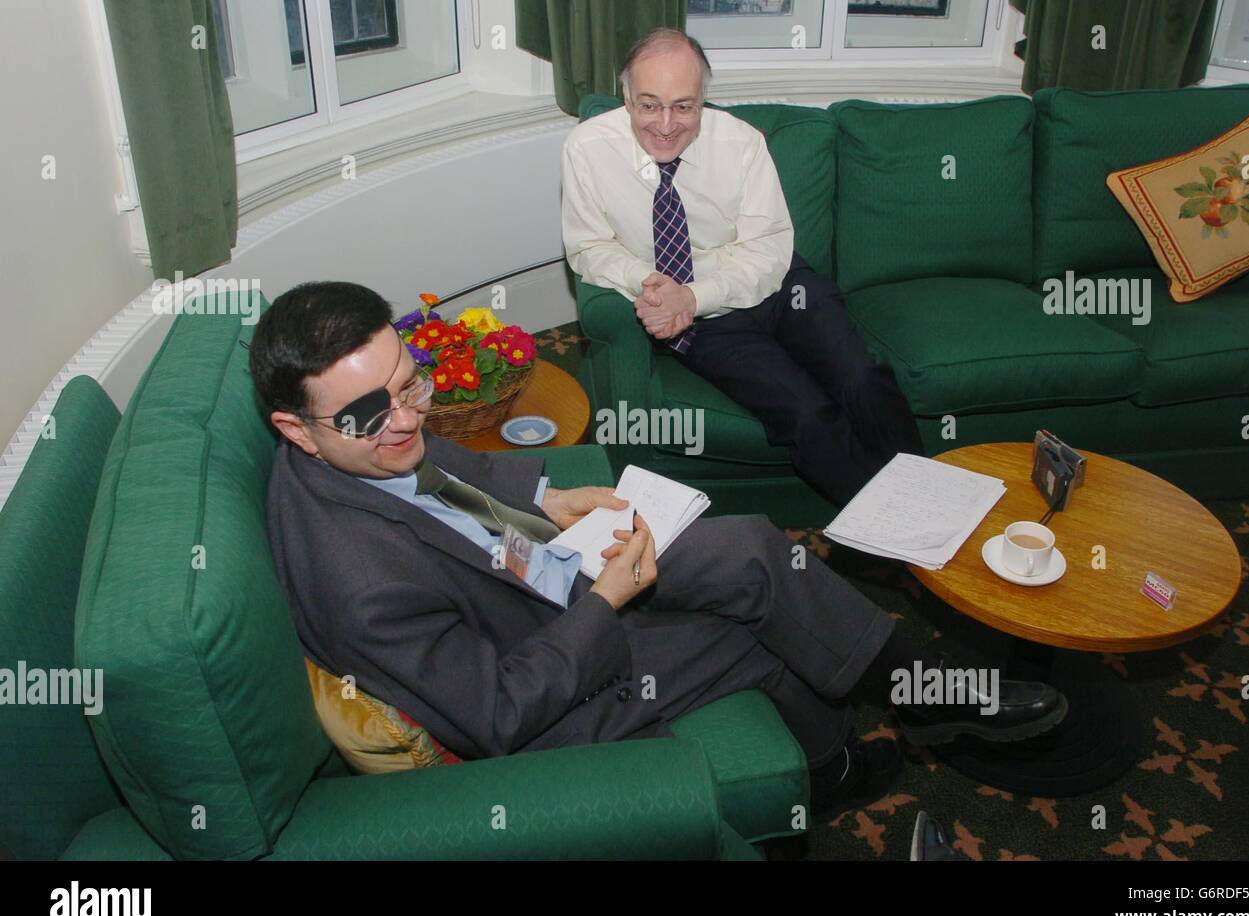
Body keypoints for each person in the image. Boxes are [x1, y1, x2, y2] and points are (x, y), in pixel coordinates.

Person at [249, 281, 1065, 822]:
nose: (406, 419)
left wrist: (547, 497)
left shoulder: (360, 442)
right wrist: (606, 599)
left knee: (753, 548)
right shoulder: (359, 578)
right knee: (744, 636)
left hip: (538, 573)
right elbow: (496, 715)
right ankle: (832, 774)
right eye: (369, 411)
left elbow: (442, 462)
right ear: (296, 430)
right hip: (539, 668)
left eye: (410, 382)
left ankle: (924, 691)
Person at [561, 27, 925, 509]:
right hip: (707, 322)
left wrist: (693, 296)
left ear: (703, 99)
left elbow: (769, 249)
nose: (666, 124)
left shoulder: (740, 143)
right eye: (649, 105)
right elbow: (588, 246)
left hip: (778, 286)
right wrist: (648, 284)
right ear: (625, 97)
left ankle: (930, 502)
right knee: (807, 415)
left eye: (684, 106)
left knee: (861, 378)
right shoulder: (586, 149)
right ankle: (896, 536)